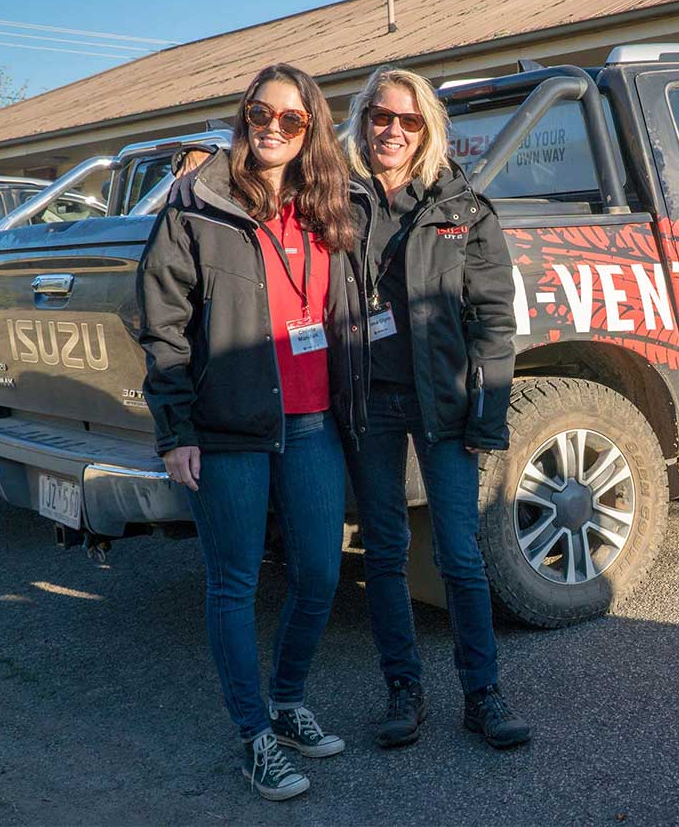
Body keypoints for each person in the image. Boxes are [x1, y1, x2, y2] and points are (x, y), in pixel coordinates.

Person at [137, 64, 366, 801]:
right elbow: (162, 324)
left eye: (291, 119)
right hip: (226, 428)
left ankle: (287, 700)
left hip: (313, 423)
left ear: (310, 129)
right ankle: (255, 736)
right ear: (244, 117)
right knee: (234, 584)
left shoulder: (329, 207)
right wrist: (176, 430)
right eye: (260, 113)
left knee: (320, 574)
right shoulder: (198, 203)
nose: (272, 127)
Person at [338, 65, 531, 749]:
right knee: (384, 552)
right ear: (363, 122)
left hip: (443, 405)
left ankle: (483, 694)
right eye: (381, 117)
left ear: (427, 131)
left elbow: (495, 322)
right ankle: (404, 690)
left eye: (408, 120)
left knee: (459, 553)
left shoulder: (464, 209)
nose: (393, 130)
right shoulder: (334, 205)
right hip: (368, 403)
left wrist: (489, 414)